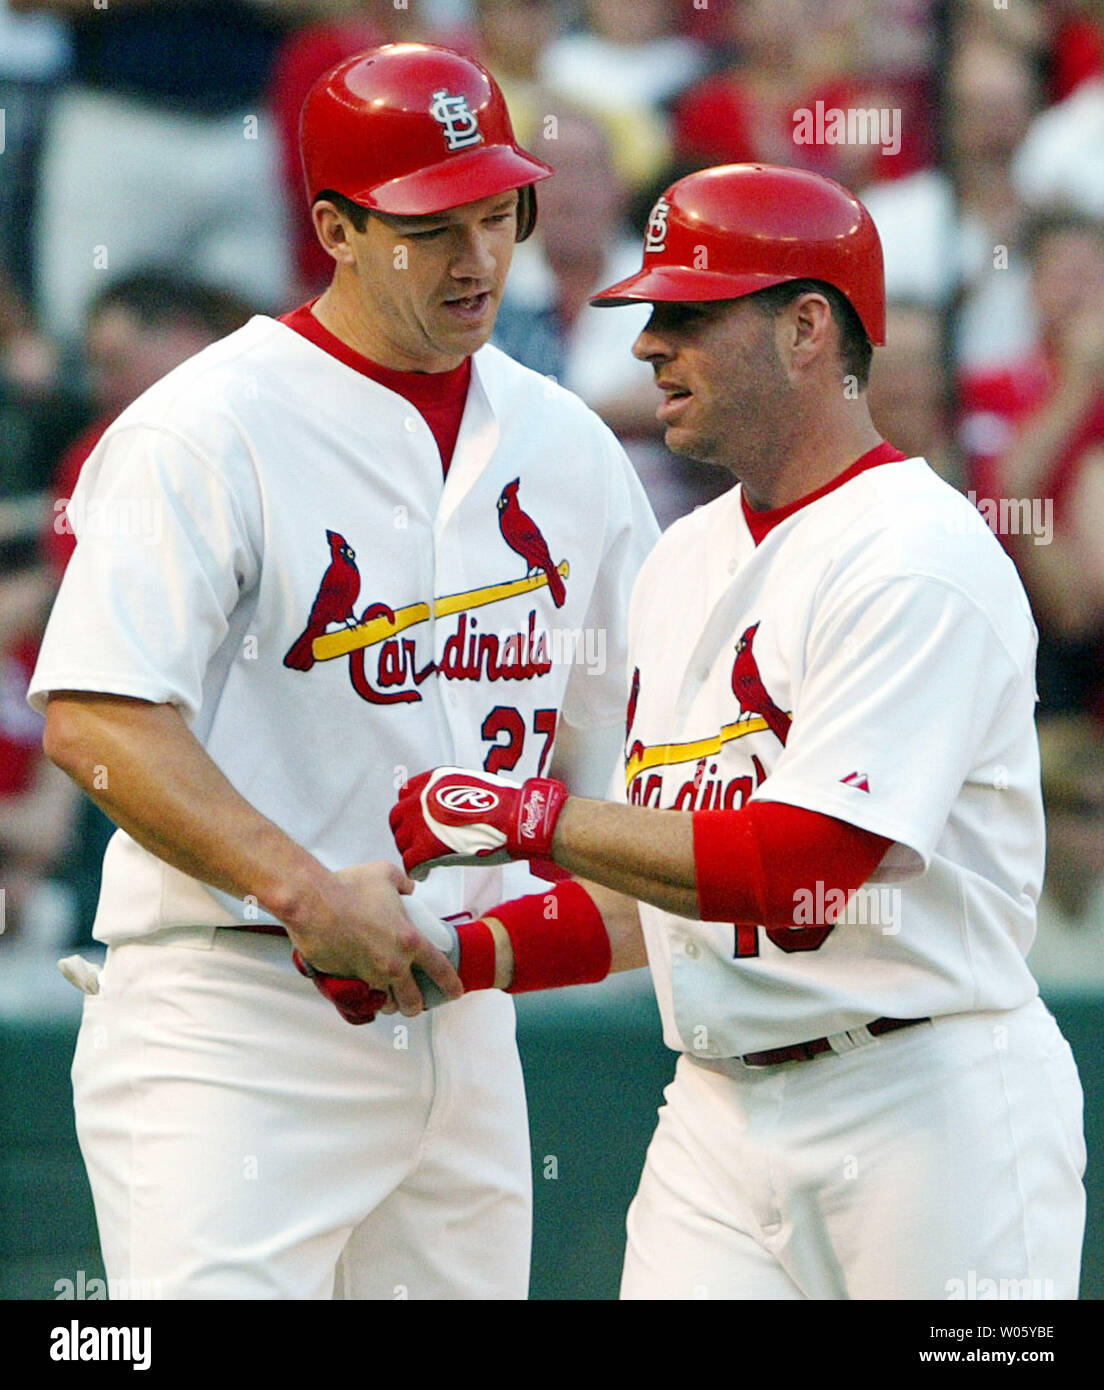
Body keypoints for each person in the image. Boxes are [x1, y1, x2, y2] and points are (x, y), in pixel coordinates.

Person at [388, 163, 1088, 1300]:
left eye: (690, 315)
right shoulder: (678, 560)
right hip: (714, 1109)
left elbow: (801, 868)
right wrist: (464, 956)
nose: (650, 345)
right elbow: (656, 889)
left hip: (926, 1103)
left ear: (808, 327)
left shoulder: (917, 550)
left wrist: (523, 816)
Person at [29, 43, 658, 1300]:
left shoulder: (567, 443)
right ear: (335, 226)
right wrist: (309, 890)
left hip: (466, 1011)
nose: (479, 257)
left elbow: (642, 728)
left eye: (499, 214)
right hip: (236, 1006)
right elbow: (94, 718)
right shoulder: (204, 426)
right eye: (434, 227)